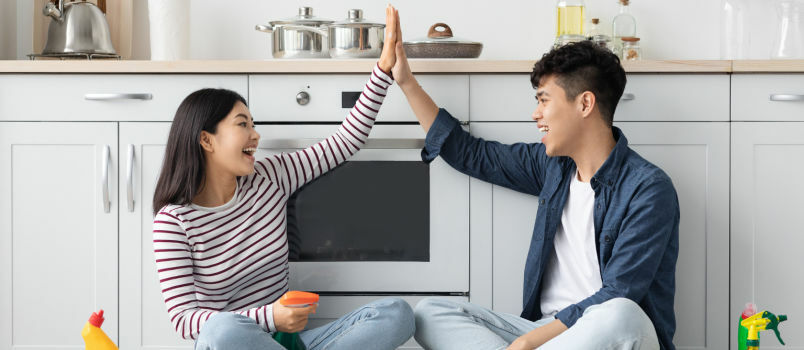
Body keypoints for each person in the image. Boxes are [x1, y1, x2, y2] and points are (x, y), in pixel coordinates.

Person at [386, 17, 680, 350]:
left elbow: (619, 292)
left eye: (543, 100)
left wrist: (527, 343)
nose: (535, 114)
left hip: (600, 333)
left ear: (585, 103)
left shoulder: (648, 189)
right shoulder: (552, 167)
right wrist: (406, 82)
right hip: (544, 333)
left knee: (621, 314)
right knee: (430, 313)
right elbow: (470, 154)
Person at [151, 6, 414, 350]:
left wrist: (383, 71)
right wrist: (269, 317)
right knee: (222, 329)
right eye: (242, 124)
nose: (255, 135)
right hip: (233, 343)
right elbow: (184, 319)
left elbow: (344, 142)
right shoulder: (174, 223)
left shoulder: (272, 176)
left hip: (286, 342)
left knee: (397, 313)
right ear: (206, 140)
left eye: (253, 124)